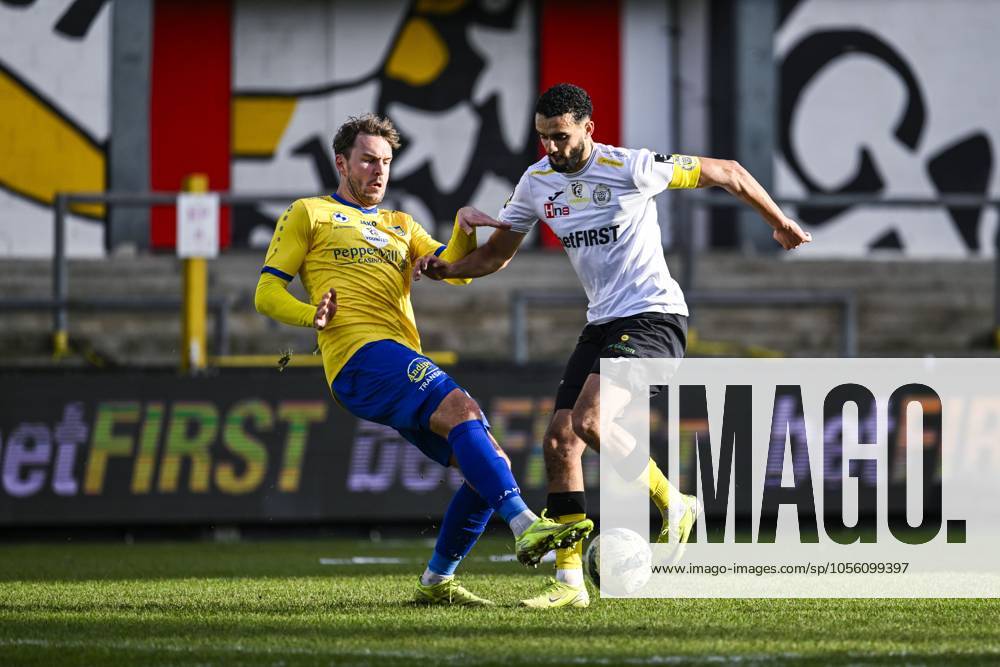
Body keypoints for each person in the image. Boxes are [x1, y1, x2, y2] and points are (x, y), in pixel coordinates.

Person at [412, 83, 812, 608]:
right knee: (559, 442)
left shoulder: (632, 167)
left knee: (590, 422)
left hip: (654, 318)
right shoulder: (536, 183)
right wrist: (449, 269)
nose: (550, 149)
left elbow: (730, 171)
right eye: (542, 138)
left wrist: (778, 223)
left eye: (560, 137)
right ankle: (570, 587)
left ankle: (676, 504)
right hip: (601, 324)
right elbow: (496, 255)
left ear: (588, 130)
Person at [254, 112, 593, 607]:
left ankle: (437, 582)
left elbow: (452, 272)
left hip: (397, 357)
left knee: (488, 464)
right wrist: (313, 317)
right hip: (358, 355)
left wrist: (461, 233)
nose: (379, 170)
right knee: (463, 411)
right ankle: (523, 525)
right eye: (368, 160)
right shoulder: (310, 213)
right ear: (341, 163)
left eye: (387, 161)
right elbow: (265, 292)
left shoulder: (401, 224)